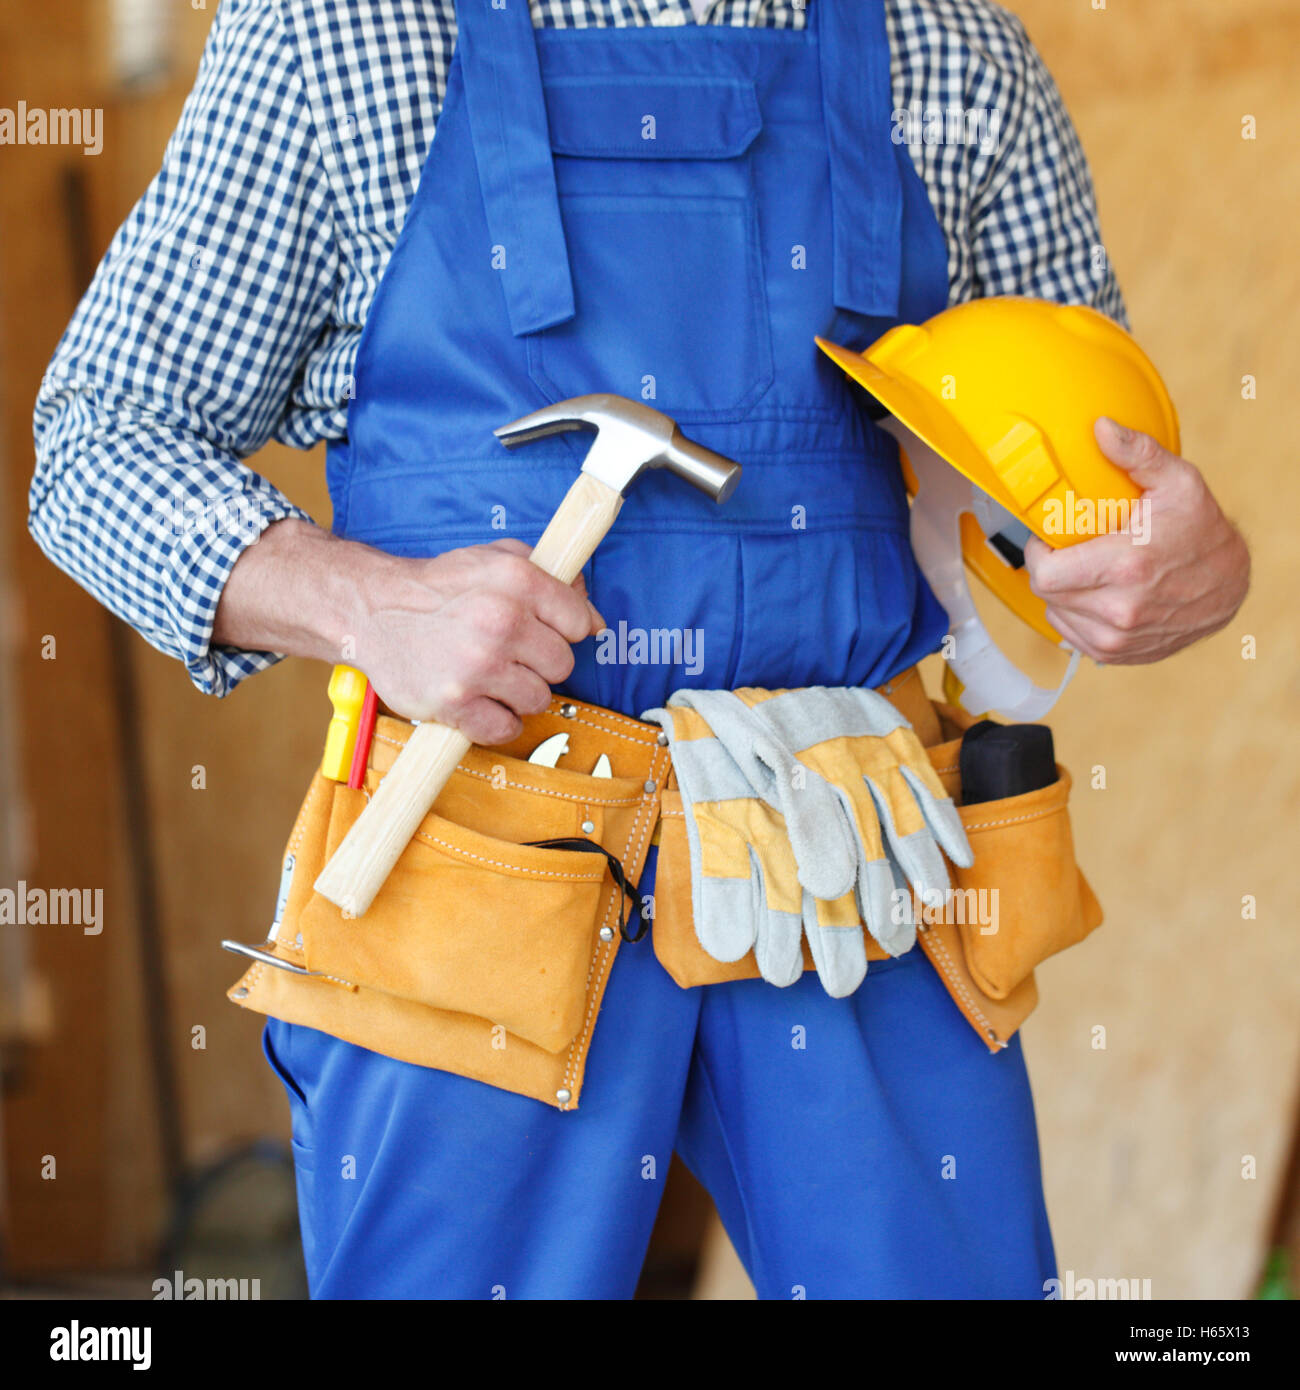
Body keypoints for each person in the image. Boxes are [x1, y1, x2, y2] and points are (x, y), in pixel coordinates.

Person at [30, 0, 1248, 1299]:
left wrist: (1186, 567)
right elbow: (97, 442)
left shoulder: (954, 55)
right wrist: (365, 603)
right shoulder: (345, 37)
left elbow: (1084, 481)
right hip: (475, 856)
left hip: (854, 857)